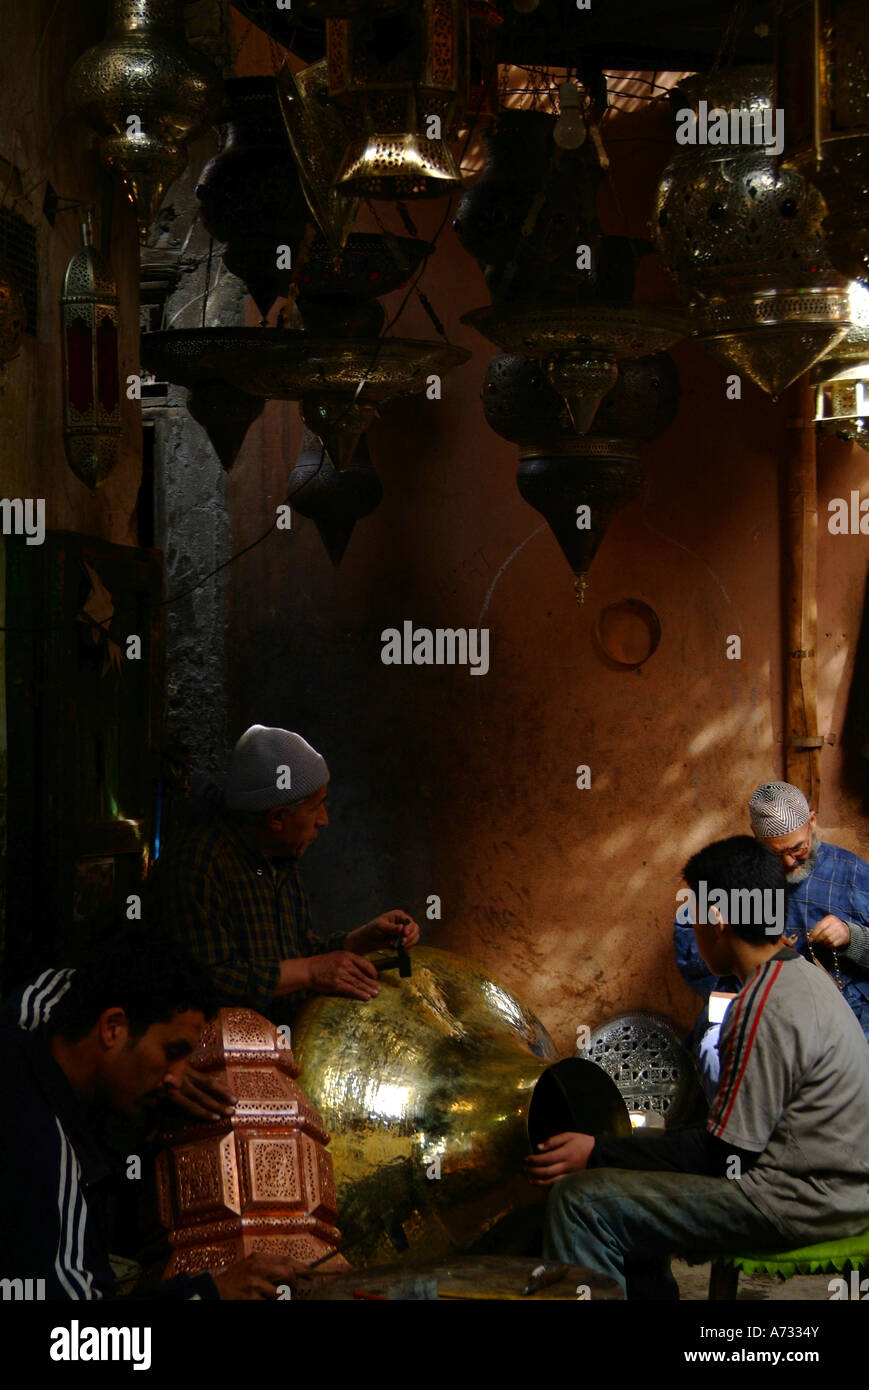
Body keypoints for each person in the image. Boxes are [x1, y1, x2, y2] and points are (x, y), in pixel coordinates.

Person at [528, 836, 869, 1300]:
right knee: (628, 1192)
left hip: (801, 1203)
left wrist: (598, 1152)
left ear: (718, 920)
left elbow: (723, 1155)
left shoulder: (762, 1005)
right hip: (845, 1192)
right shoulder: (803, 975)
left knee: (581, 1201)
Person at [0, 929, 297, 1299]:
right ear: (112, 1027)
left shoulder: (21, 1032)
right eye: (172, 1051)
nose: (176, 1079)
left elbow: (61, 986)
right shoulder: (45, 1153)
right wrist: (209, 1294)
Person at [154, 725, 420, 1031]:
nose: (325, 819)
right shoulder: (198, 863)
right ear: (277, 818)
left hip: (283, 1042)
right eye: (316, 806)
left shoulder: (280, 859)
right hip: (217, 1056)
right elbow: (209, 981)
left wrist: (361, 940)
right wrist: (309, 971)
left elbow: (300, 955)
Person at [674, 781, 869, 1095]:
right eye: (777, 853)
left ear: (813, 821)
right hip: (752, 1009)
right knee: (713, 1050)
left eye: (798, 848)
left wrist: (852, 938)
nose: (790, 862)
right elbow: (694, 952)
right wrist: (747, 952)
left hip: (843, 1014)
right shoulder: (739, 874)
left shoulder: (853, 875)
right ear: (756, 835)